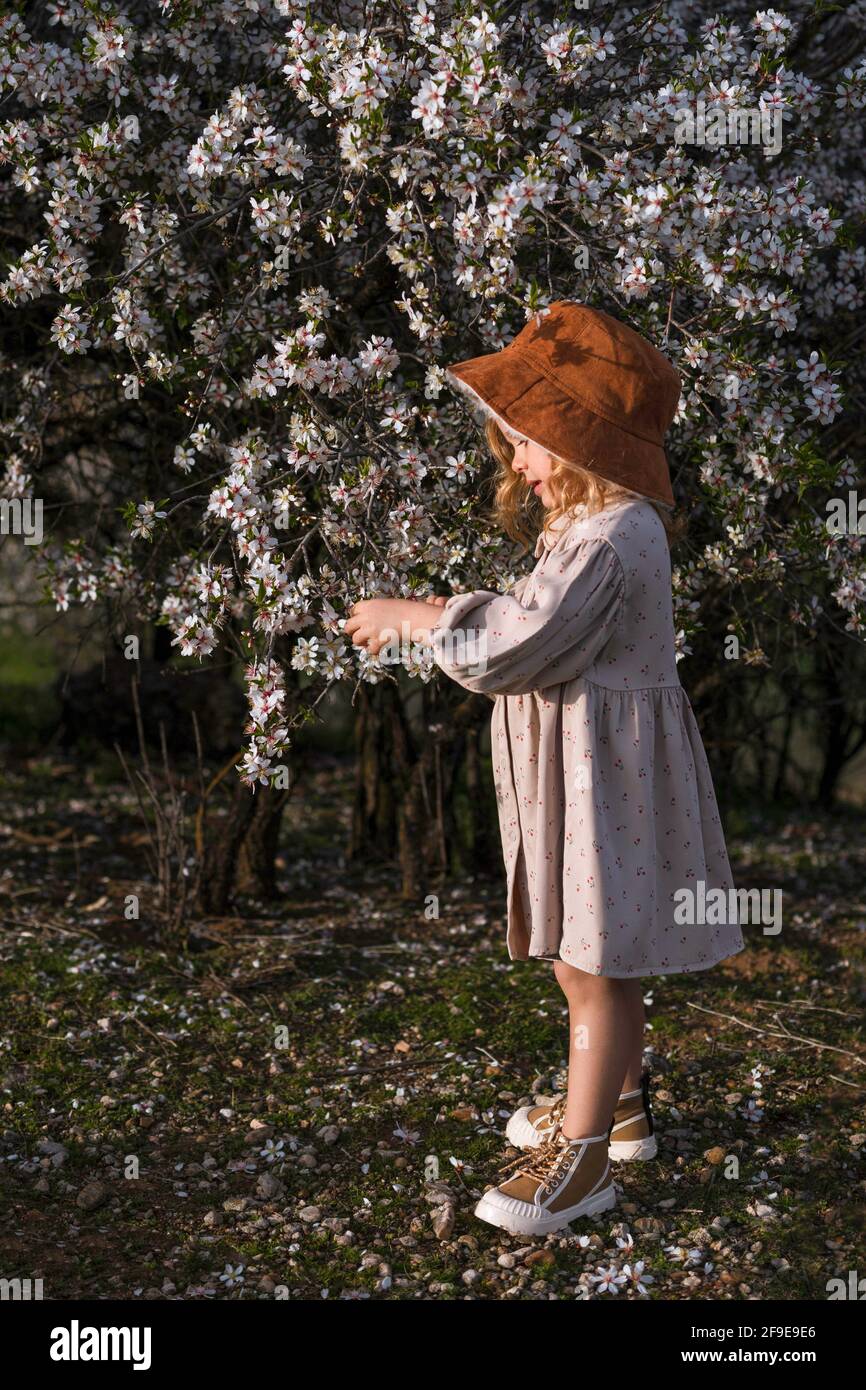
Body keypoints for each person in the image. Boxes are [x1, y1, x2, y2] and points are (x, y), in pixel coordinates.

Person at [345, 300, 744, 1238]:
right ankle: (619, 1104)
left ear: (579, 442)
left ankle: (584, 1165)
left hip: (608, 783)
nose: (517, 463)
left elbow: (518, 646)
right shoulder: (601, 525)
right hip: (598, 773)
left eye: (527, 442)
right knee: (595, 962)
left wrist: (419, 616)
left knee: (591, 965)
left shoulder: (609, 538)